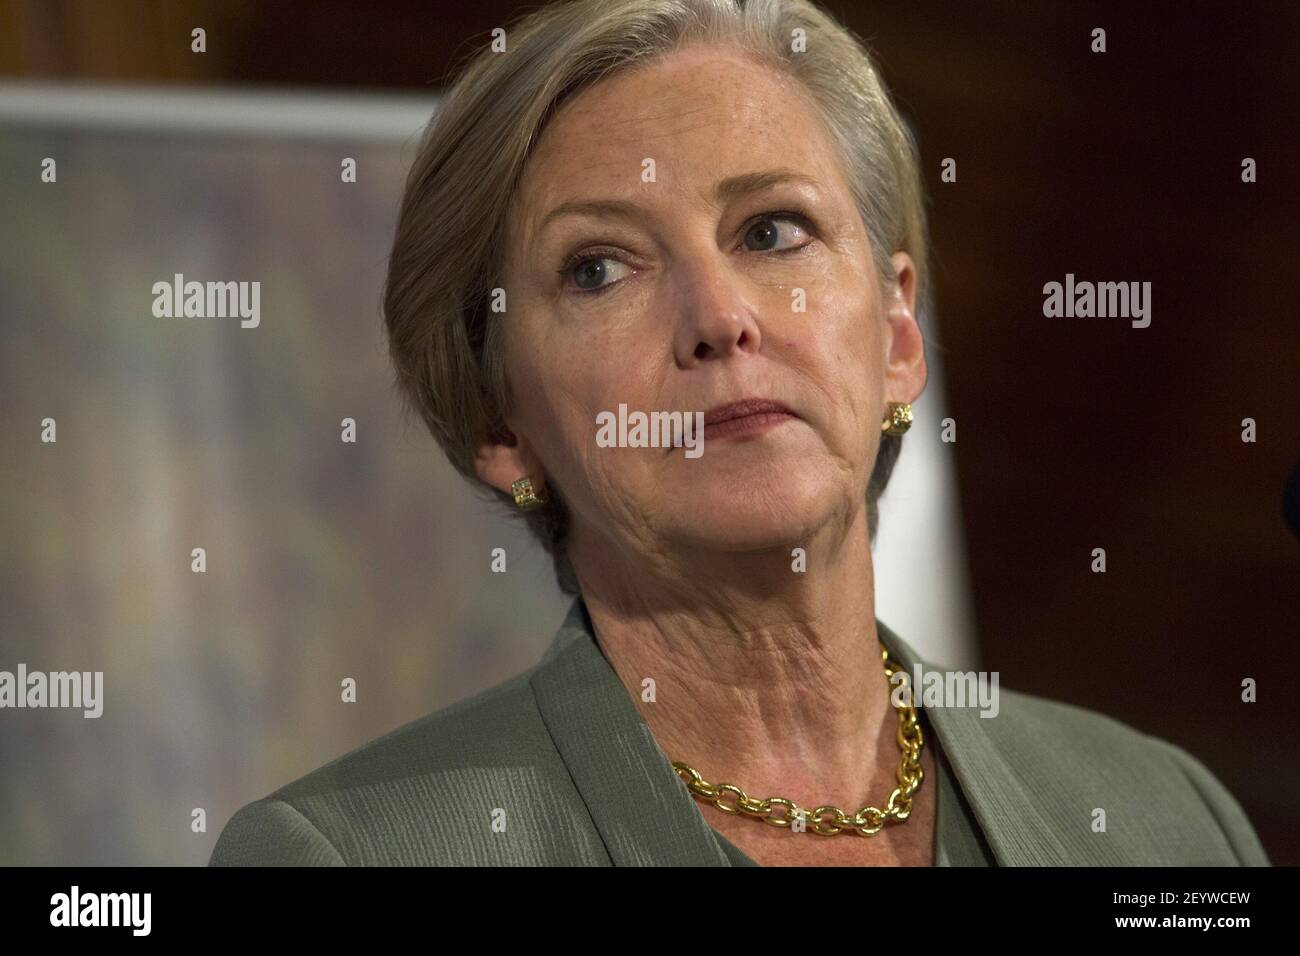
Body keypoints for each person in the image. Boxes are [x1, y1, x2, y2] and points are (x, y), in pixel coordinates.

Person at [211, 0, 1269, 866]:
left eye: (773, 231)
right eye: (599, 266)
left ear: (898, 334)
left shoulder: (1167, 821)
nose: (720, 317)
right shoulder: (351, 855)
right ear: (499, 419)